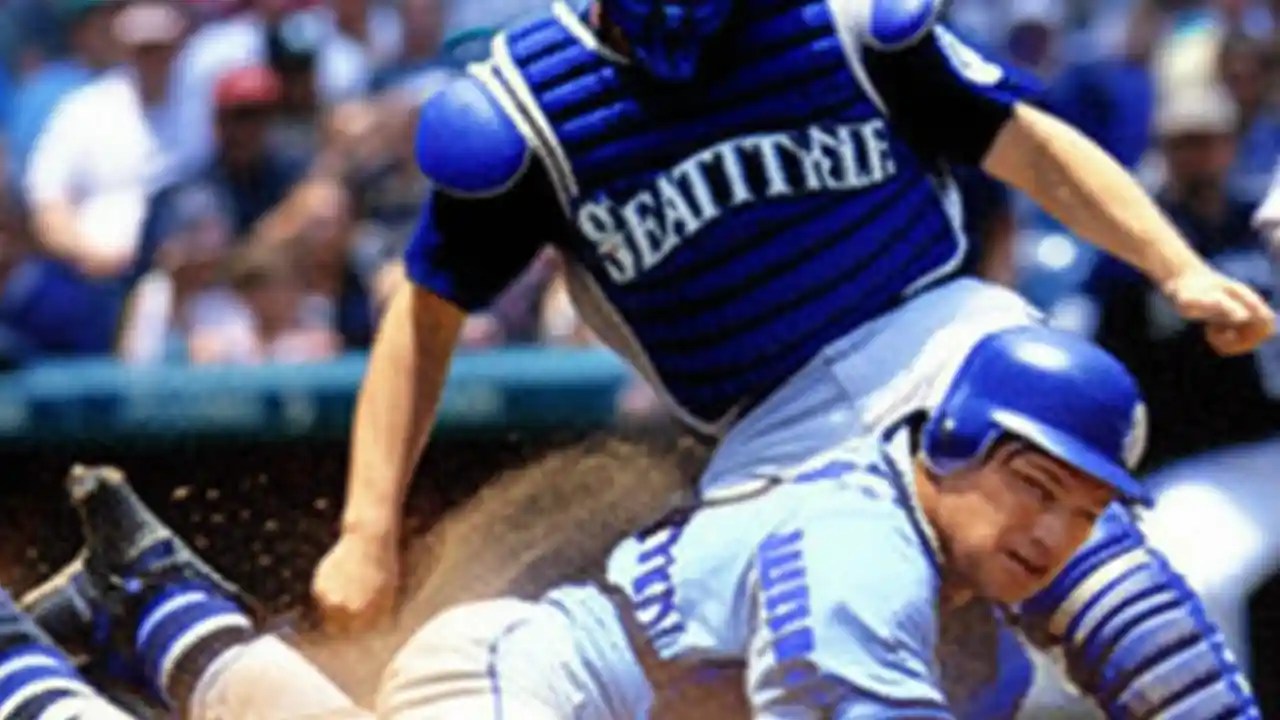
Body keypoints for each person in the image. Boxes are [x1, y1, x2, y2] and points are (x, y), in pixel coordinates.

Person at [313, 0, 1274, 714]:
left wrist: (1173, 266)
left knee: (1114, 600)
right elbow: (425, 315)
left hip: (938, 345)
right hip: (770, 438)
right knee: (874, 674)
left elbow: (1024, 146)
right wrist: (366, 528)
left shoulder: (847, 26)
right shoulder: (526, 115)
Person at [7, 328, 1261, 718]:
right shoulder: (859, 548)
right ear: (942, 448)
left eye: (1084, 507)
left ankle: (152, 603)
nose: (1056, 529)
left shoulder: (954, 571)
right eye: (1031, 485)